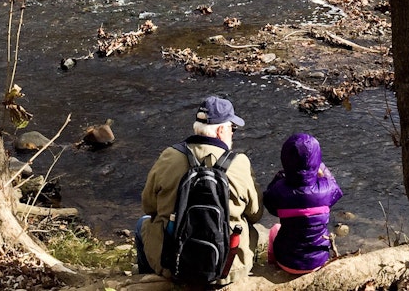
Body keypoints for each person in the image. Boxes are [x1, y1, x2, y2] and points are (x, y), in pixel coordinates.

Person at [136, 96, 263, 285]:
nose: (233, 134)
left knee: (142, 224)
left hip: (173, 266)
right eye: (232, 128)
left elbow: (148, 206)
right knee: (249, 227)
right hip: (226, 269)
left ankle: (148, 279)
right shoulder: (239, 163)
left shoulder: (169, 156)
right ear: (221, 130)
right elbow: (255, 214)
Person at [263, 132, 343, 275]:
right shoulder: (327, 189)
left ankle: (273, 265)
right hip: (319, 261)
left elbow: (269, 204)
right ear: (317, 161)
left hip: (286, 261)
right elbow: (336, 191)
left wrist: (280, 176)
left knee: (275, 229)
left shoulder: (279, 190)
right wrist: (323, 169)